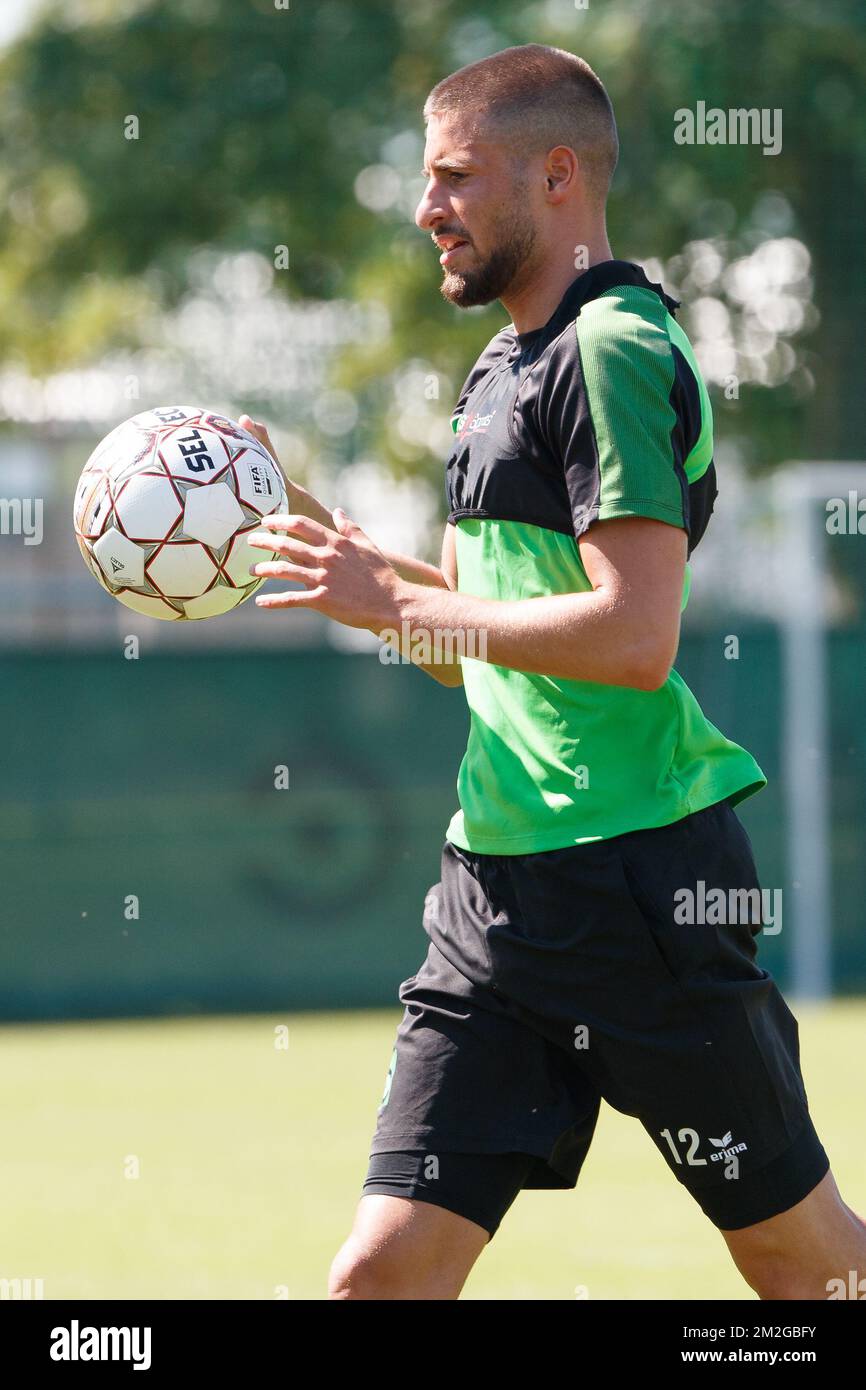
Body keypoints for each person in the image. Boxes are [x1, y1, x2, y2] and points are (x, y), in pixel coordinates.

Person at [242, 44, 866, 1300]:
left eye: (454, 176)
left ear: (559, 174)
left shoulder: (614, 350)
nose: (426, 208)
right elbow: (486, 662)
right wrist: (343, 559)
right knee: (376, 1279)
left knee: (807, 1271)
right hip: (493, 895)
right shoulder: (497, 371)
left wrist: (408, 598)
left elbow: (633, 641)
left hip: (640, 888)